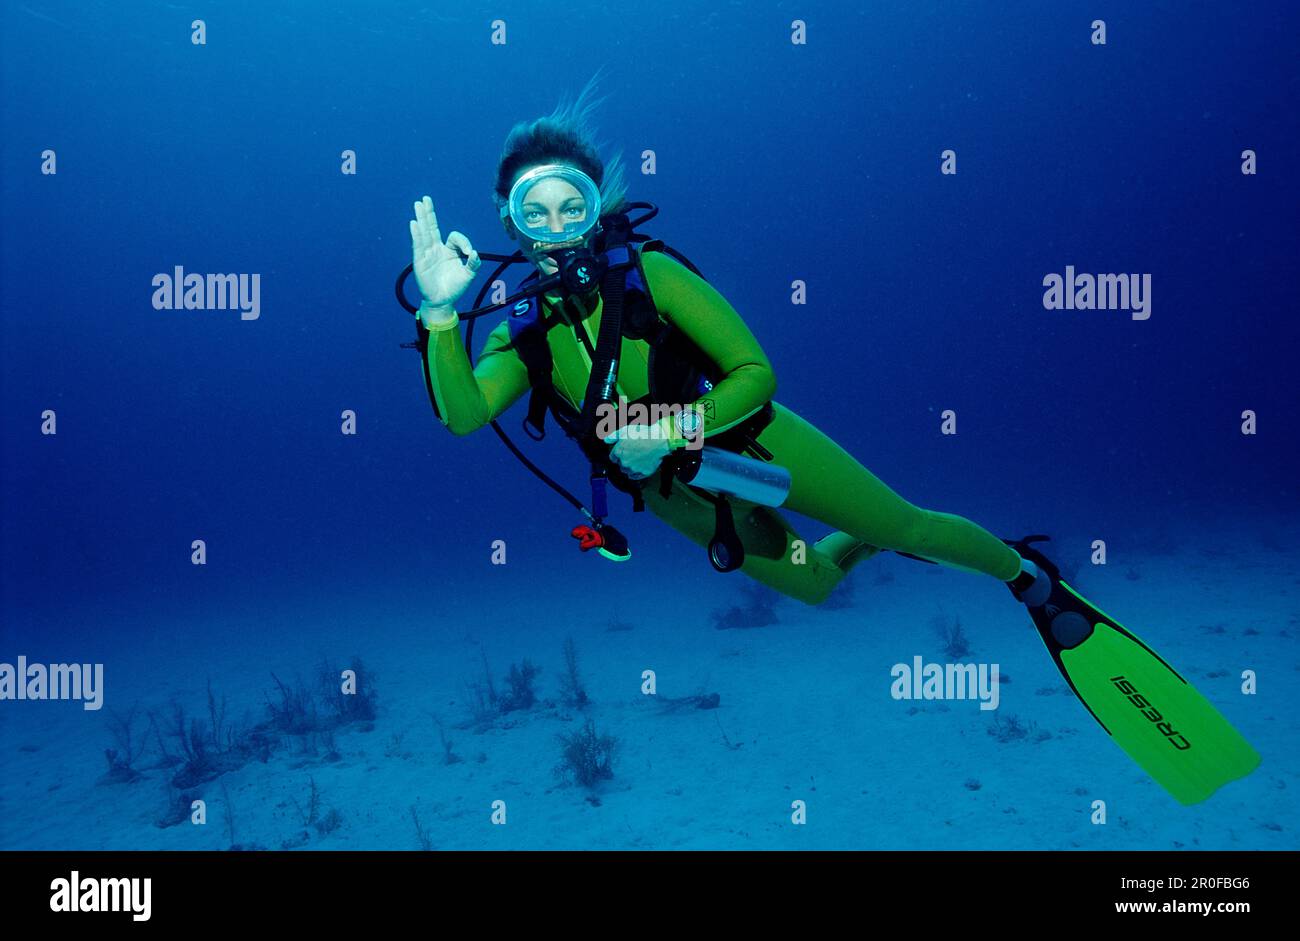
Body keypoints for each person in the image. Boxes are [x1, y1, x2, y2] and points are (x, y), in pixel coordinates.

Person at [403, 81, 1258, 804]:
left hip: (751, 439)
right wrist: (441, 312)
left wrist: (674, 424)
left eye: (571, 203)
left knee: (911, 527)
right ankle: (866, 539)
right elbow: (464, 414)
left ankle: (1030, 580)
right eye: (533, 210)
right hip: (665, 491)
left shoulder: (650, 275)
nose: (555, 225)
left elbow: (754, 373)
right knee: (810, 587)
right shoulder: (516, 326)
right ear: (508, 221)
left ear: (596, 207)